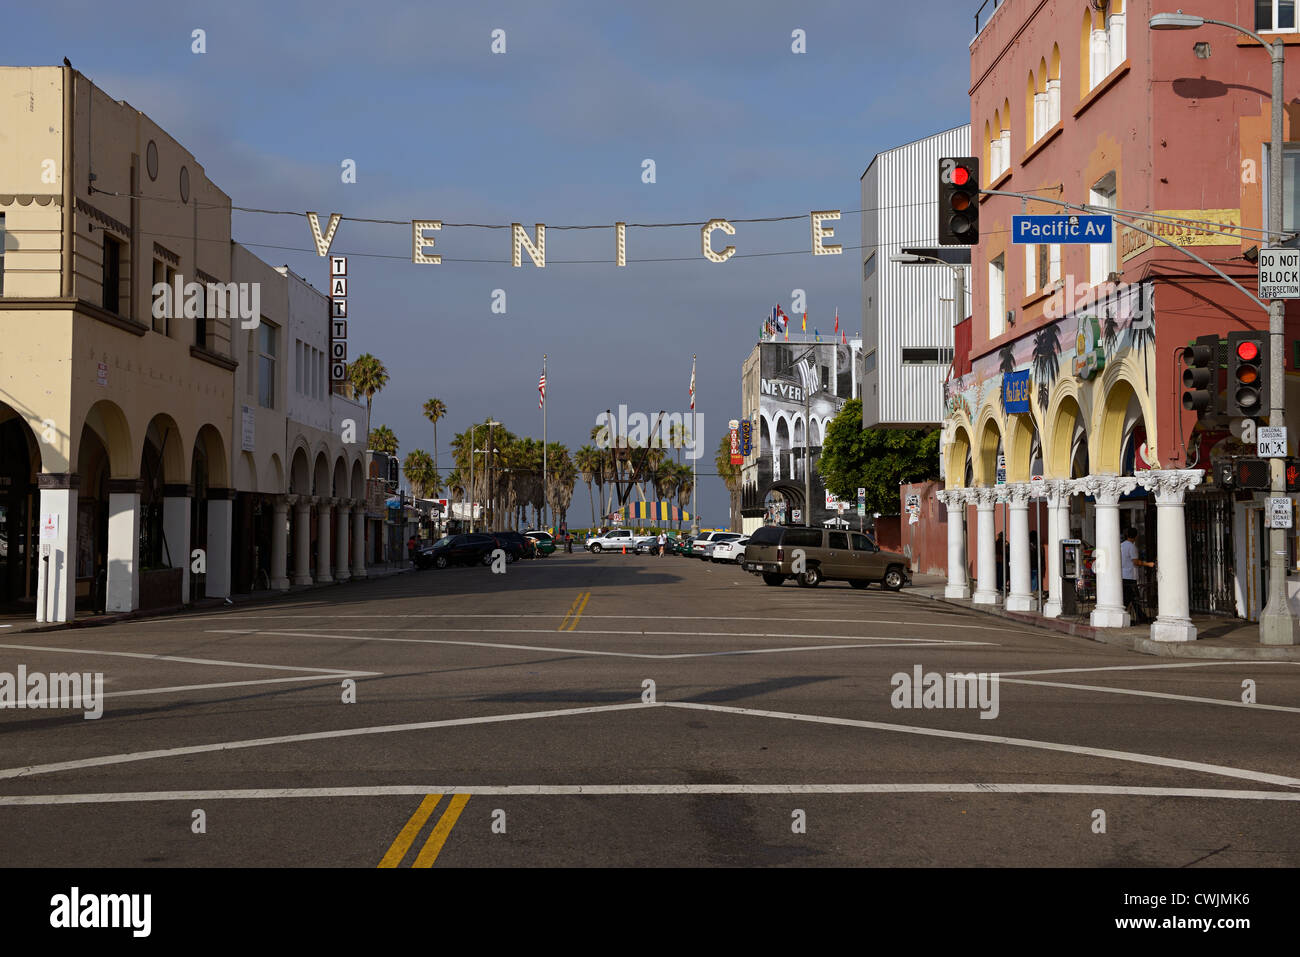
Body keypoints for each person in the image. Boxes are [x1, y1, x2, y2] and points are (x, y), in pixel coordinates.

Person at [1121, 527, 1155, 624]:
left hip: (1123, 576)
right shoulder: (1132, 547)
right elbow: (1135, 562)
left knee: (1132, 598)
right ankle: (1135, 616)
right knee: (1132, 598)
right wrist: (1148, 564)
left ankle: (1141, 616)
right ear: (1136, 536)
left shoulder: (1121, 545)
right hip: (1130, 576)